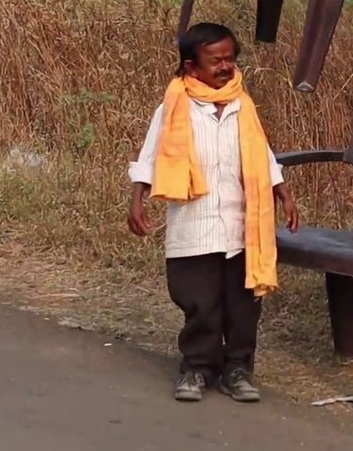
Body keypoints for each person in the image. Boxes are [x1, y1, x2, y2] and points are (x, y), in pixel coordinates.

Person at [128, 22, 299, 403]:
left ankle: (237, 368)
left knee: (243, 304)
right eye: (214, 61)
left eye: (229, 59)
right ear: (191, 67)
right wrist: (137, 200)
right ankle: (197, 368)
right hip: (195, 225)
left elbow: (263, 156)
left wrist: (283, 193)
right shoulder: (175, 107)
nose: (224, 67)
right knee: (200, 303)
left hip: (242, 226)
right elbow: (150, 155)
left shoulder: (243, 105)